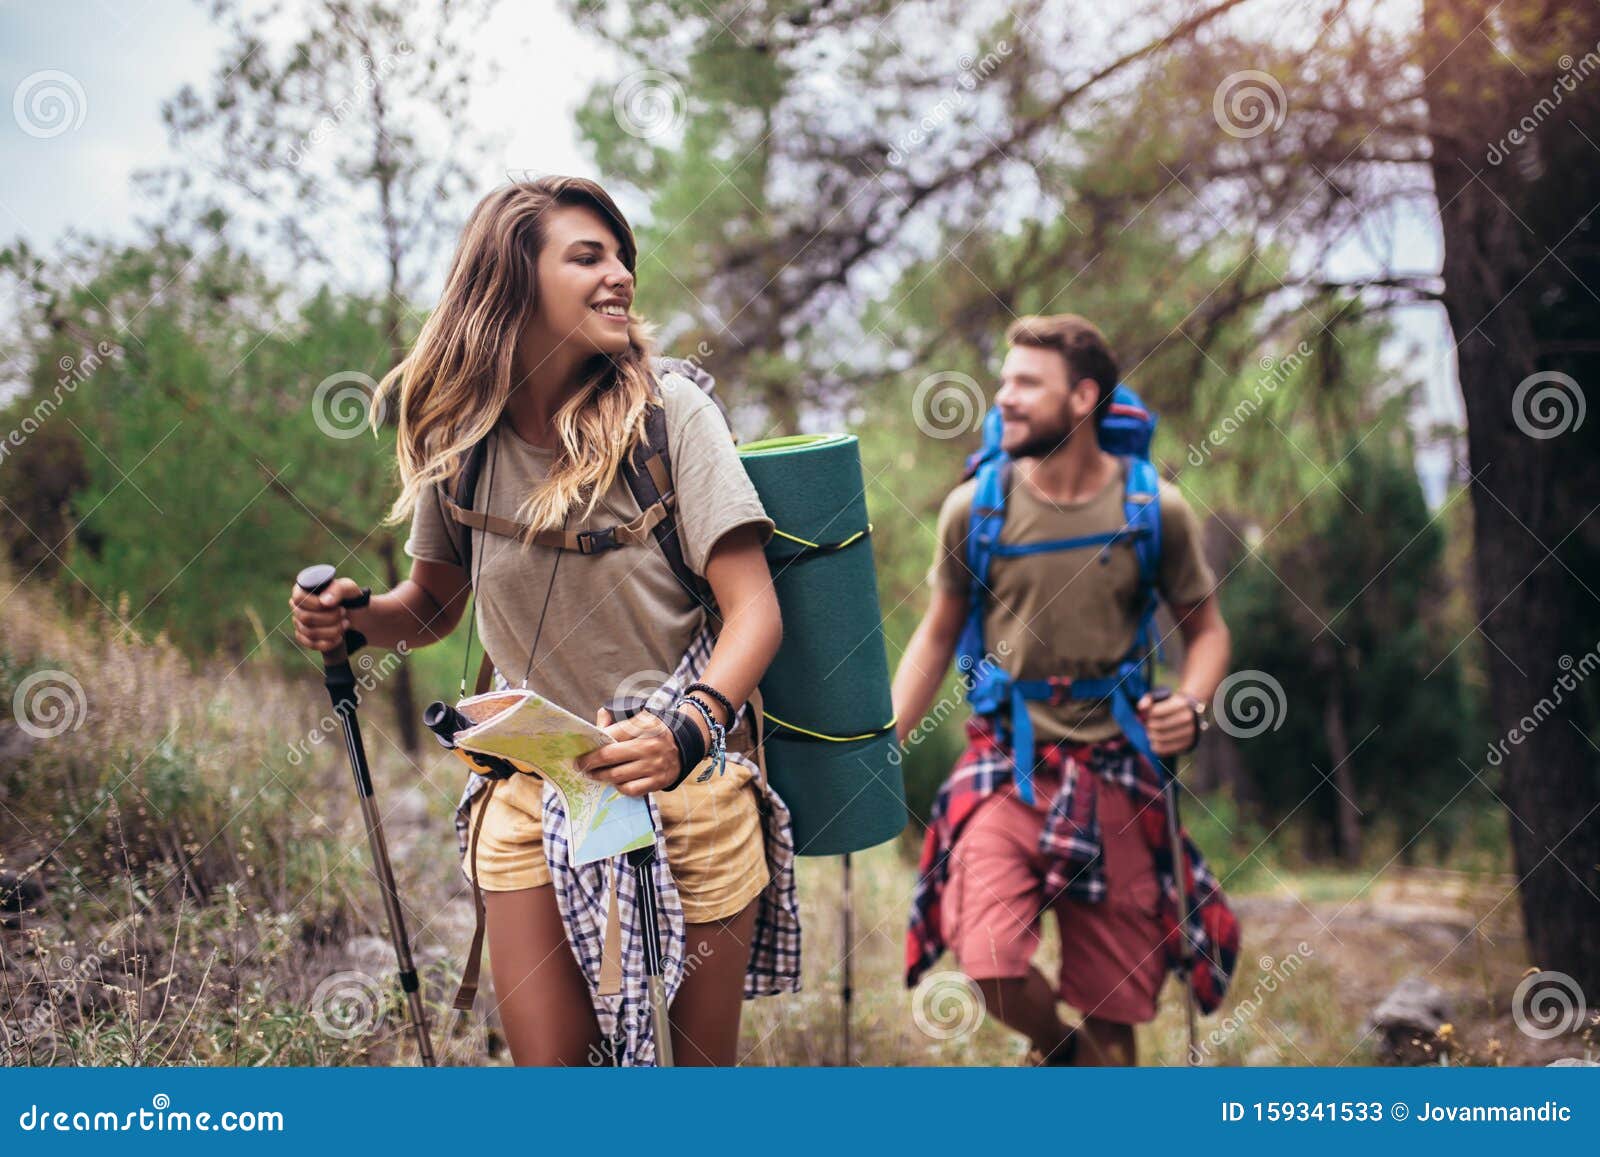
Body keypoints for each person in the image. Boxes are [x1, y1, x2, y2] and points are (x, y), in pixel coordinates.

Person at [289, 176, 799, 1066]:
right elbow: (435, 607)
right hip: (534, 793)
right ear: (513, 281)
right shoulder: (464, 445)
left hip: (690, 785)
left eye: (621, 257)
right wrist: (357, 620)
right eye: (587, 257)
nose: (620, 278)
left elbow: (755, 608)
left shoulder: (669, 415)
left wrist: (690, 725)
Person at [896, 314, 1235, 1066]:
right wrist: (886, 736)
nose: (1003, 398)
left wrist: (1191, 702)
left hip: (1118, 766)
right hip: (1005, 766)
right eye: (1004, 380)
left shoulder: (1153, 509)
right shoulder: (975, 510)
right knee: (987, 964)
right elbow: (937, 633)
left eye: (1026, 383)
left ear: (1083, 398)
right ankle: (1066, 1056)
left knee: (1118, 1010)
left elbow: (1207, 631)